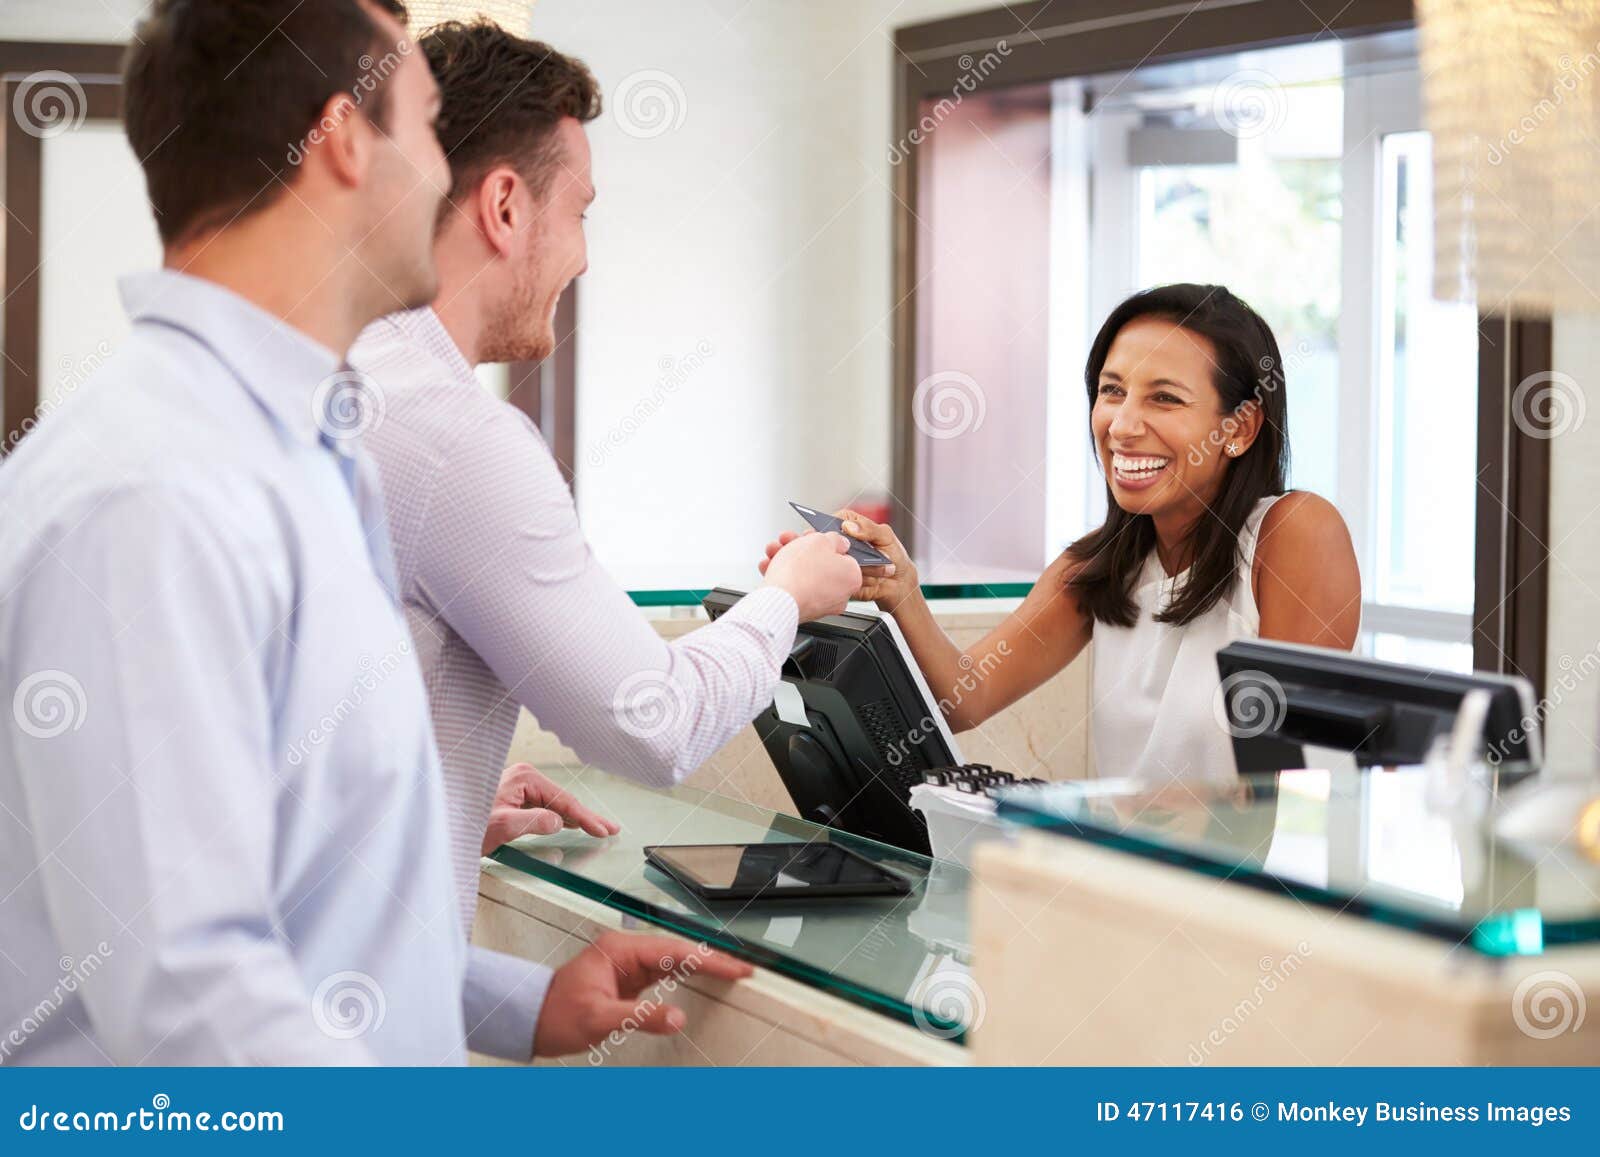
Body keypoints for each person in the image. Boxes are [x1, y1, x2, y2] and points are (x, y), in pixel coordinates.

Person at [0, 0, 745, 1066]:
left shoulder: (315, 447)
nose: (447, 178)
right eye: (426, 127)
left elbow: (295, 910)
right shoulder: (152, 490)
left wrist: (507, 1001)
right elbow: (191, 999)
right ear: (344, 139)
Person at [346, 21, 862, 932]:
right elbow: (652, 723)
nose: (584, 253)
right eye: (580, 210)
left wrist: (440, 805)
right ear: (505, 205)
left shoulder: (342, 376)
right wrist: (787, 597)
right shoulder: (455, 438)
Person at [761, 284, 1362, 785]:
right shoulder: (1097, 565)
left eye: (1165, 399)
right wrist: (901, 591)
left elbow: (1296, 774)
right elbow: (963, 699)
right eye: (1112, 391)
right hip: (1126, 892)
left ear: (1240, 426)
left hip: (1246, 907)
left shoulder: (1294, 533)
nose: (1123, 425)